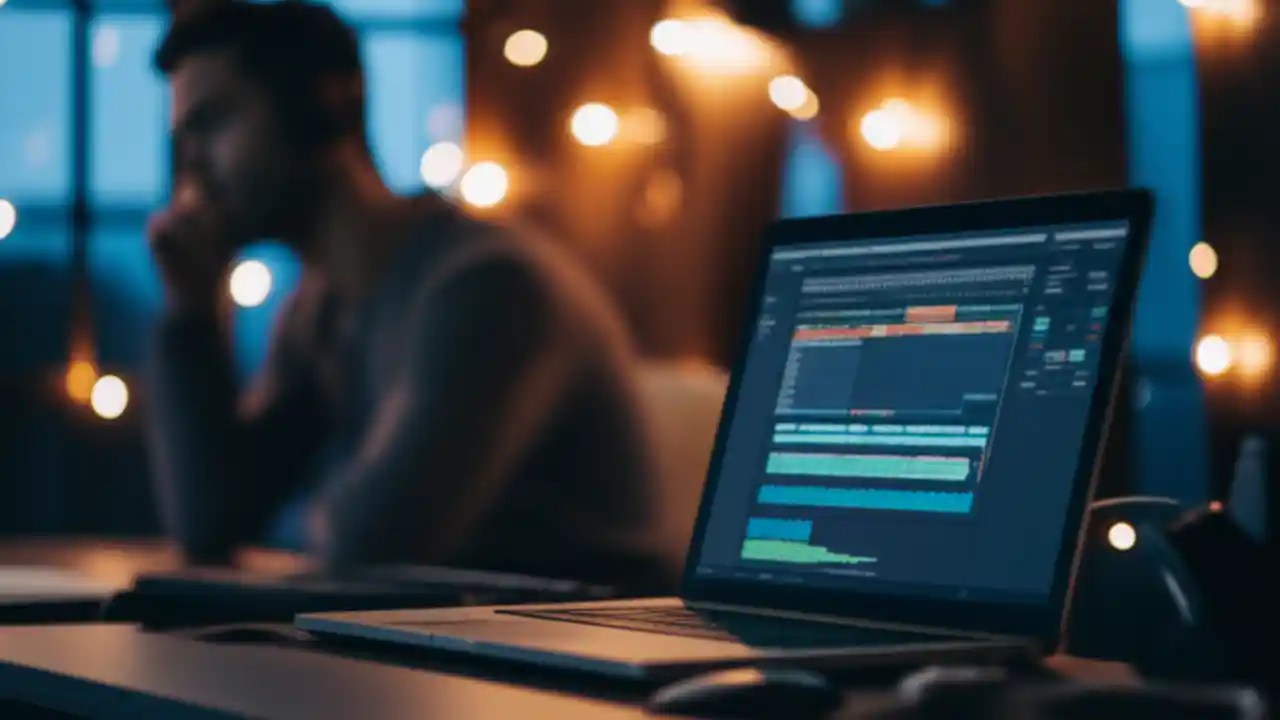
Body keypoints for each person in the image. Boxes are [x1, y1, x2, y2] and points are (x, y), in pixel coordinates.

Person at [145, 0, 663, 588]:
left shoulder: (488, 285)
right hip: (442, 649)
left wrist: (302, 523)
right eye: (183, 137)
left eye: (211, 123)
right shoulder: (319, 313)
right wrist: (189, 314)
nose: (191, 168)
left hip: (576, 658)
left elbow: (370, 544)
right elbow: (213, 522)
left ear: (326, 101)